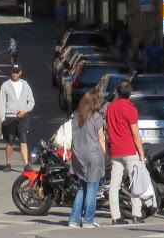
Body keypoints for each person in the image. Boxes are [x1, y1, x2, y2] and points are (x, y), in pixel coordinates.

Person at [105, 80, 146, 225]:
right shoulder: (130, 108)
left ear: (117, 91)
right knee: (134, 182)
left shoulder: (110, 108)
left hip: (116, 150)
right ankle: (136, 214)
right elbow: (135, 133)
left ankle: (115, 217)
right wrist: (141, 153)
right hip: (129, 149)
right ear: (130, 92)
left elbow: (108, 130)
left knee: (114, 185)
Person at [70, 89, 109, 228]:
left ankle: (74, 219)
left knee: (82, 187)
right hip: (93, 154)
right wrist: (106, 156)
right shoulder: (96, 117)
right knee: (92, 188)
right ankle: (88, 220)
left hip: (78, 155)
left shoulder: (76, 116)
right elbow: (101, 138)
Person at [0, 63, 35, 171]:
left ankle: (26, 164)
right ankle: (8, 163)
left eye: (17, 72)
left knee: (23, 140)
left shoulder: (25, 85)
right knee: (9, 141)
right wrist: (2, 118)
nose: (15, 74)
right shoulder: (5, 85)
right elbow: (2, 102)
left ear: (20, 73)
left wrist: (25, 110)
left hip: (22, 117)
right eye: (13, 72)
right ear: (11, 72)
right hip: (9, 117)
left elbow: (31, 101)